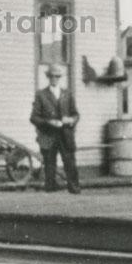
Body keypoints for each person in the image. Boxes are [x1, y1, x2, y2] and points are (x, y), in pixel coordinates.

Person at [30, 63, 81, 194]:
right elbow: (34, 117)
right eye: (52, 76)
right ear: (48, 77)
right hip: (48, 136)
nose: (54, 79)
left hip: (66, 135)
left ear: (60, 77)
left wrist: (71, 120)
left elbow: (76, 114)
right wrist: (49, 122)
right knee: (50, 167)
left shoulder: (67, 94)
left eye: (57, 76)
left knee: (70, 164)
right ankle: (51, 194)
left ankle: (75, 192)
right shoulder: (41, 95)